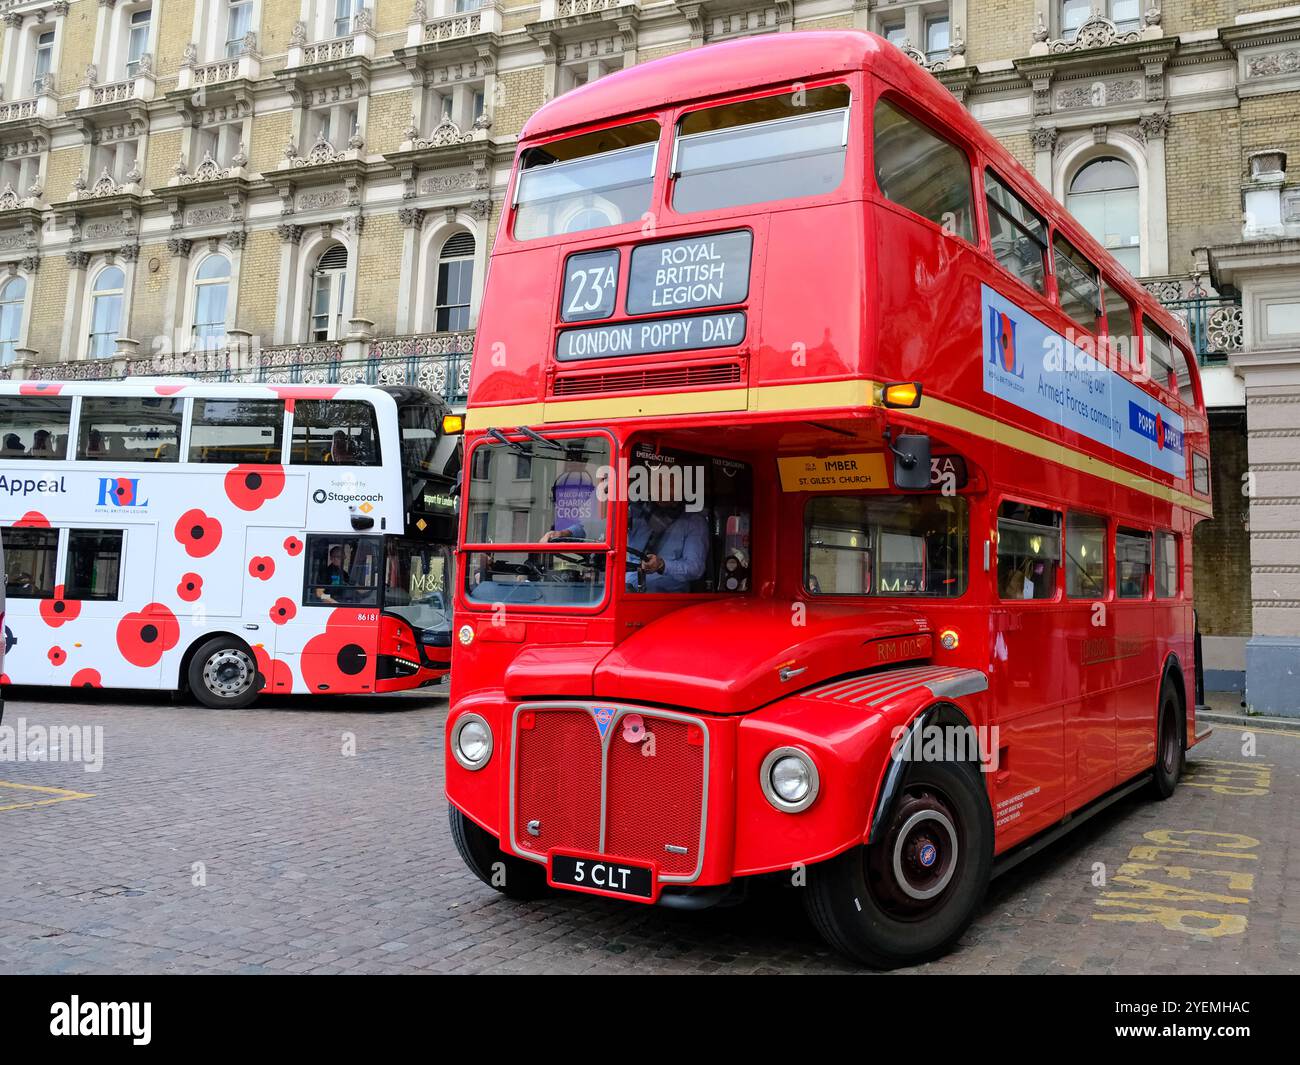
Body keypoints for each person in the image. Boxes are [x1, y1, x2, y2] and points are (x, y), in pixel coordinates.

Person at [626, 498, 708, 593]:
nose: (662, 490)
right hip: (624, 589)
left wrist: (661, 565)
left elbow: (695, 568)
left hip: (667, 598)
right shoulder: (634, 513)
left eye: (670, 484)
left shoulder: (693, 521)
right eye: (658, 484)